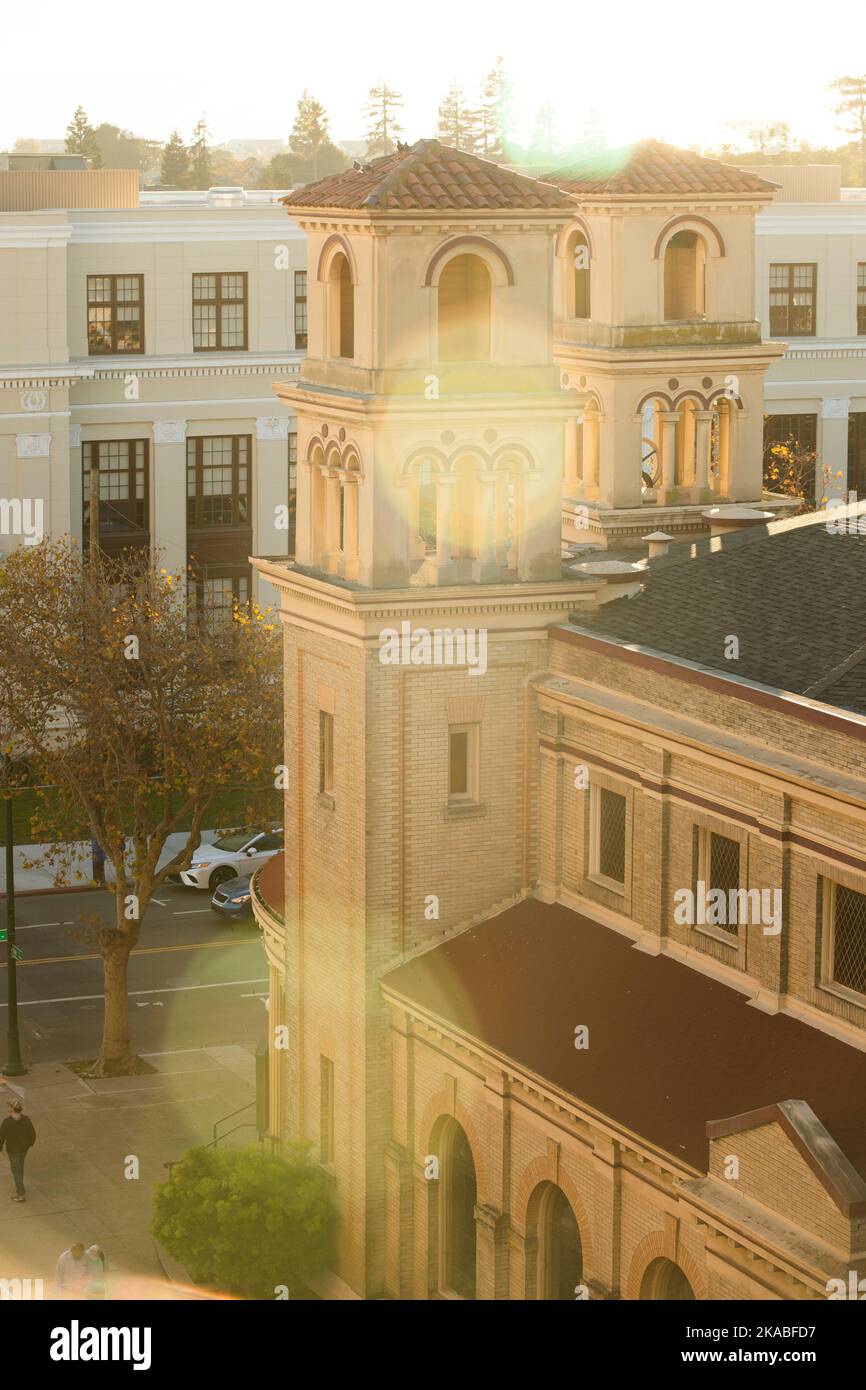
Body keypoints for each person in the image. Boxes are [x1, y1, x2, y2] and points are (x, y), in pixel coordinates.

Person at [0, 1099, 36, 1201]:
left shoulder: (7, 1122)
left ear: (12, 1109)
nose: (8, 1107)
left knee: (16, 1171)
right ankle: (20, 1184)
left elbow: (1, 1136)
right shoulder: (26, 1120)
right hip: (24, 1149)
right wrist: (29, 1144)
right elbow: (32, 1134)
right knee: (20, 1167)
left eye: (9, 1106)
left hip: (13, 1151)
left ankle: (21, 1194)